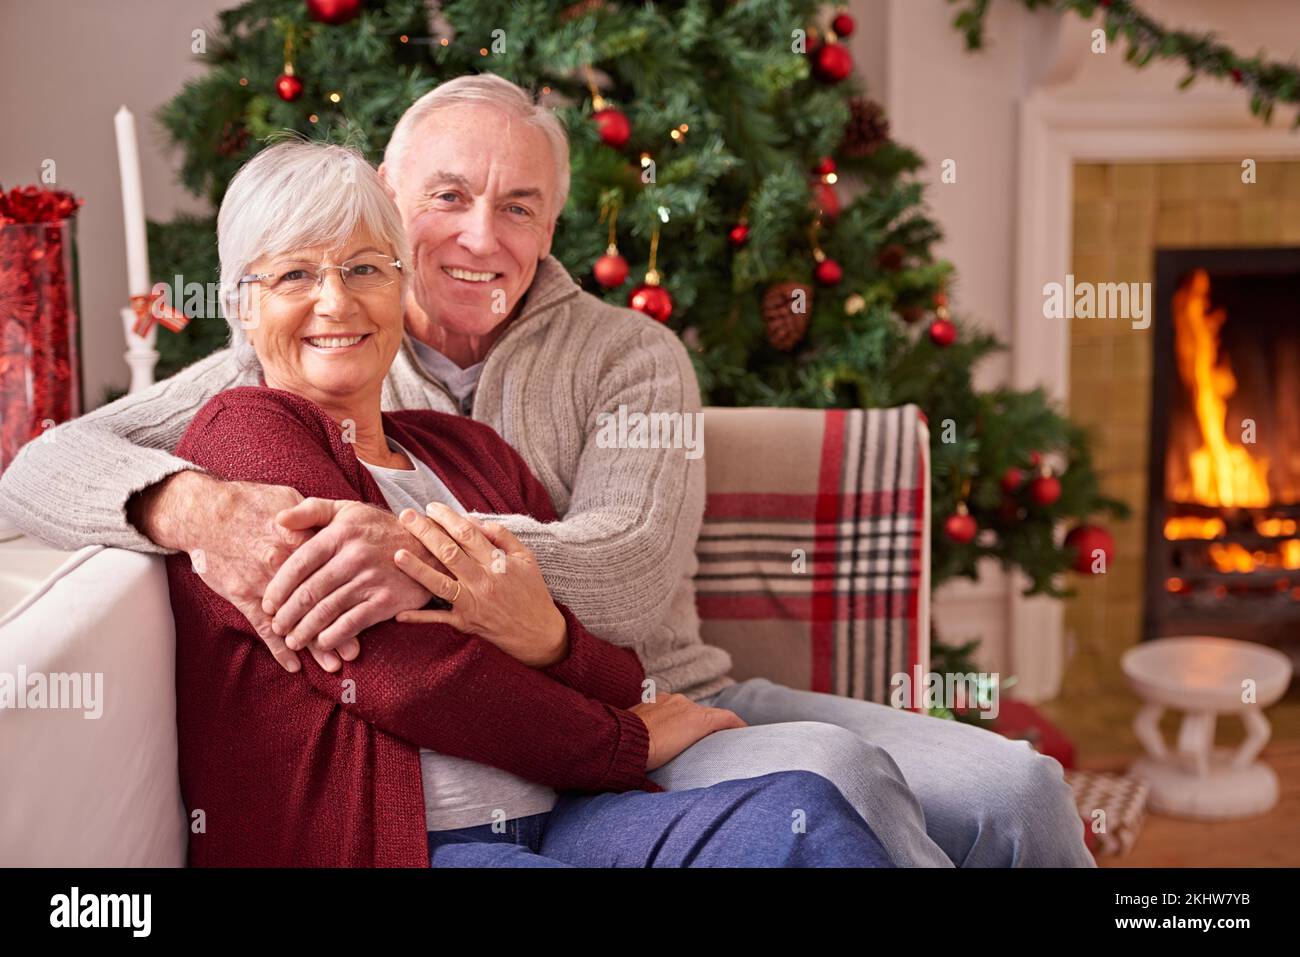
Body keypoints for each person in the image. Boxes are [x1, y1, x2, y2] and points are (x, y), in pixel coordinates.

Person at [0, 74, 1090, 867]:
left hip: (671, 688)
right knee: (831, 789)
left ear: (554, 224)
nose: (482, 237)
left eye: (520, 206)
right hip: (553, 743)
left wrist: (412, 554)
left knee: (1020, 782)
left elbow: (626, 572)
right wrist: (191, 505)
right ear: (387, 198)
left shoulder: (625, 356)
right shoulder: (281, 356)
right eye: (447, 198)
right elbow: (40, 465)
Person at [167, 139, 893, 868]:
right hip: (400, 848)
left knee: (806, 819)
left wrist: (549, 637)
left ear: (399, 287)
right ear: (242, 303)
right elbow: (401, 673)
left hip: (567, 819)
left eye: (364, 269)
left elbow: (605, 661)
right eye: (296, 274)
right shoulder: (245, 433)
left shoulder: (468, 452)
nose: (337, 300)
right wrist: (627, 740)